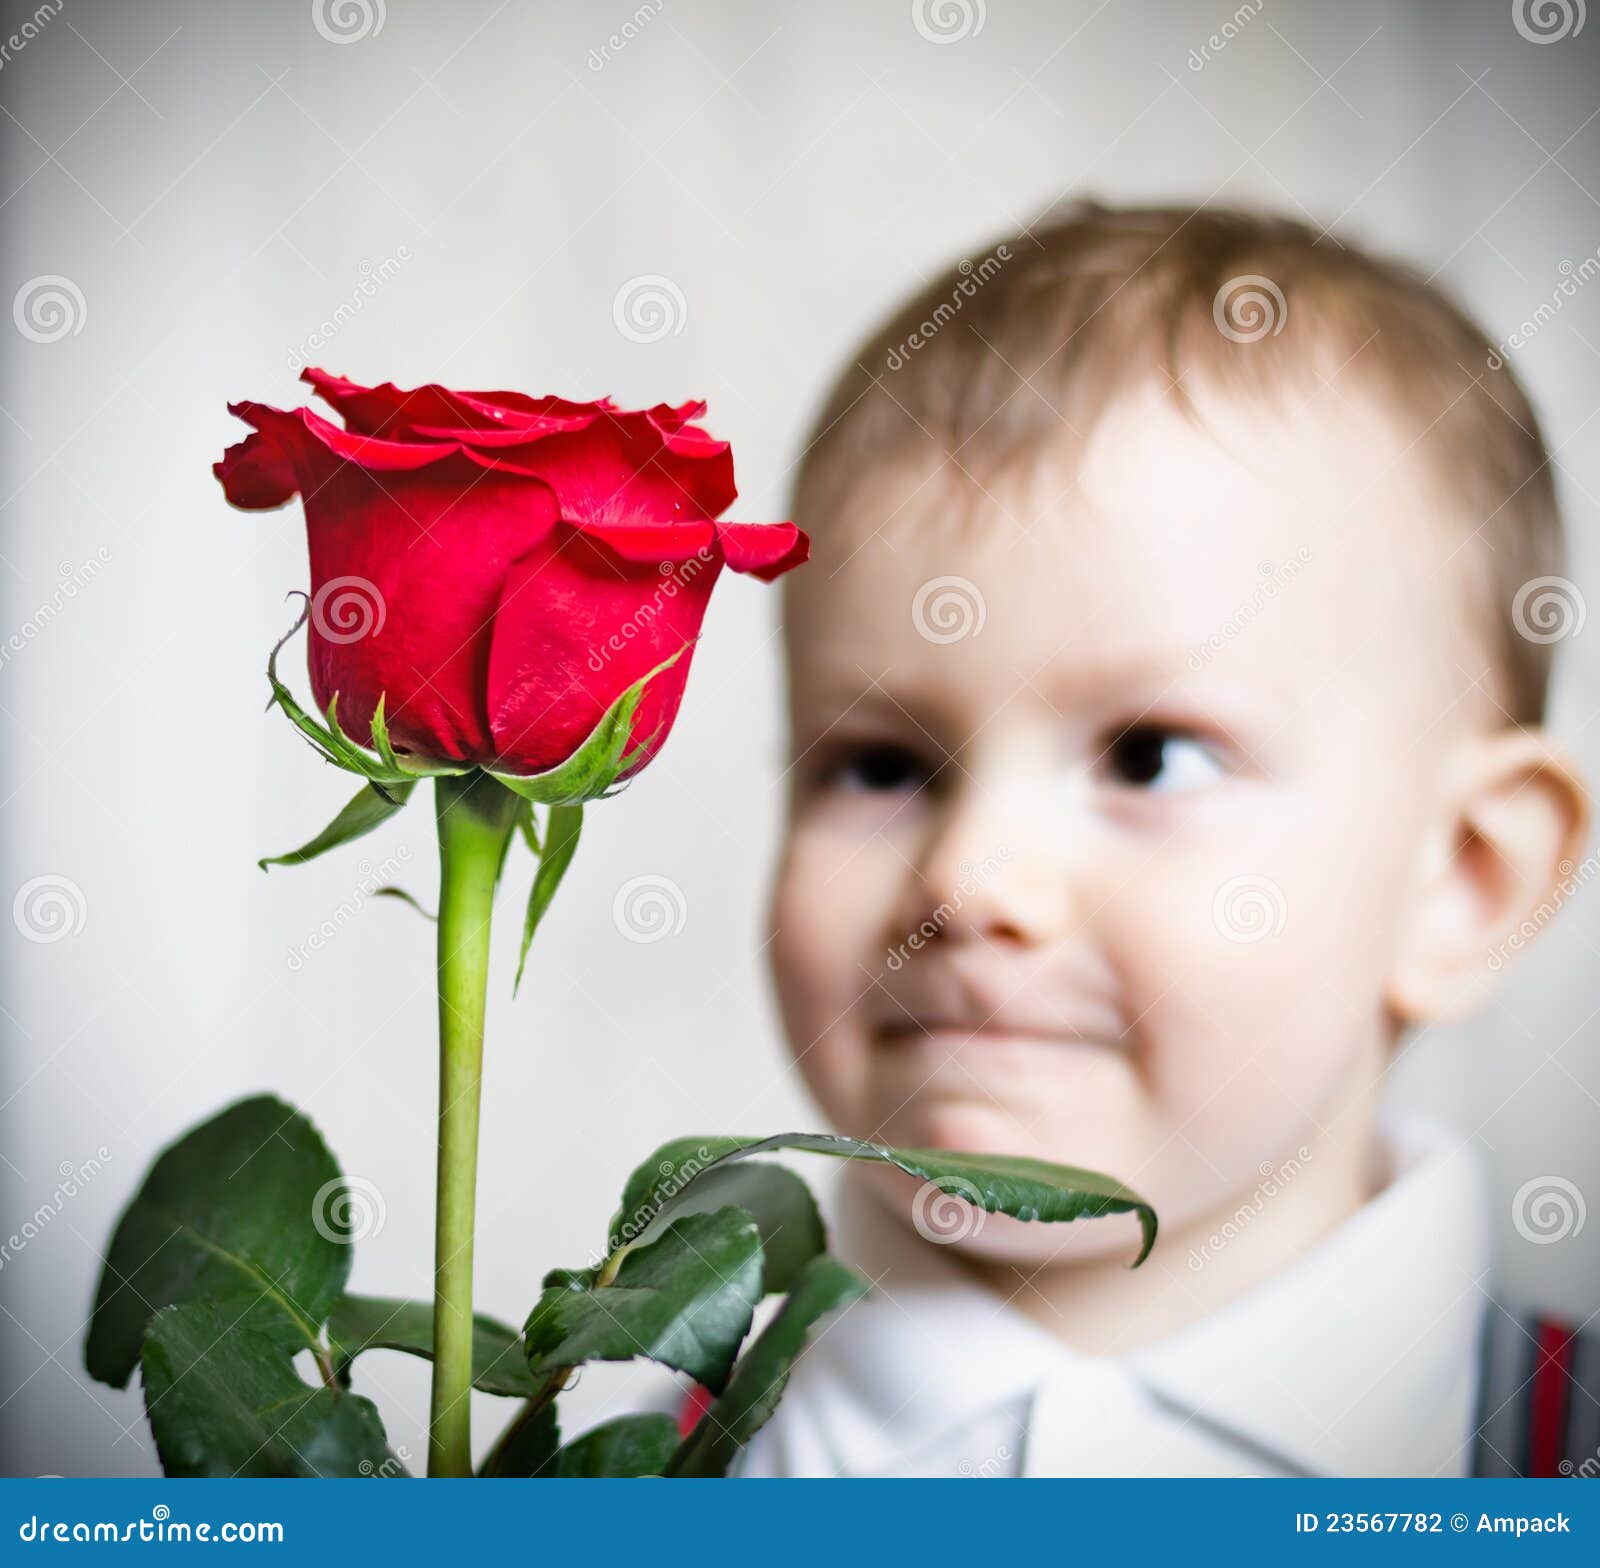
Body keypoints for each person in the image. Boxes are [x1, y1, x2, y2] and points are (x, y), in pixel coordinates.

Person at [742, 200, 1594, 1477]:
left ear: (1464, 878)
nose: (968, 881)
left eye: (1151, 755)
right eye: (881, 764)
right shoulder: (626, 1466)